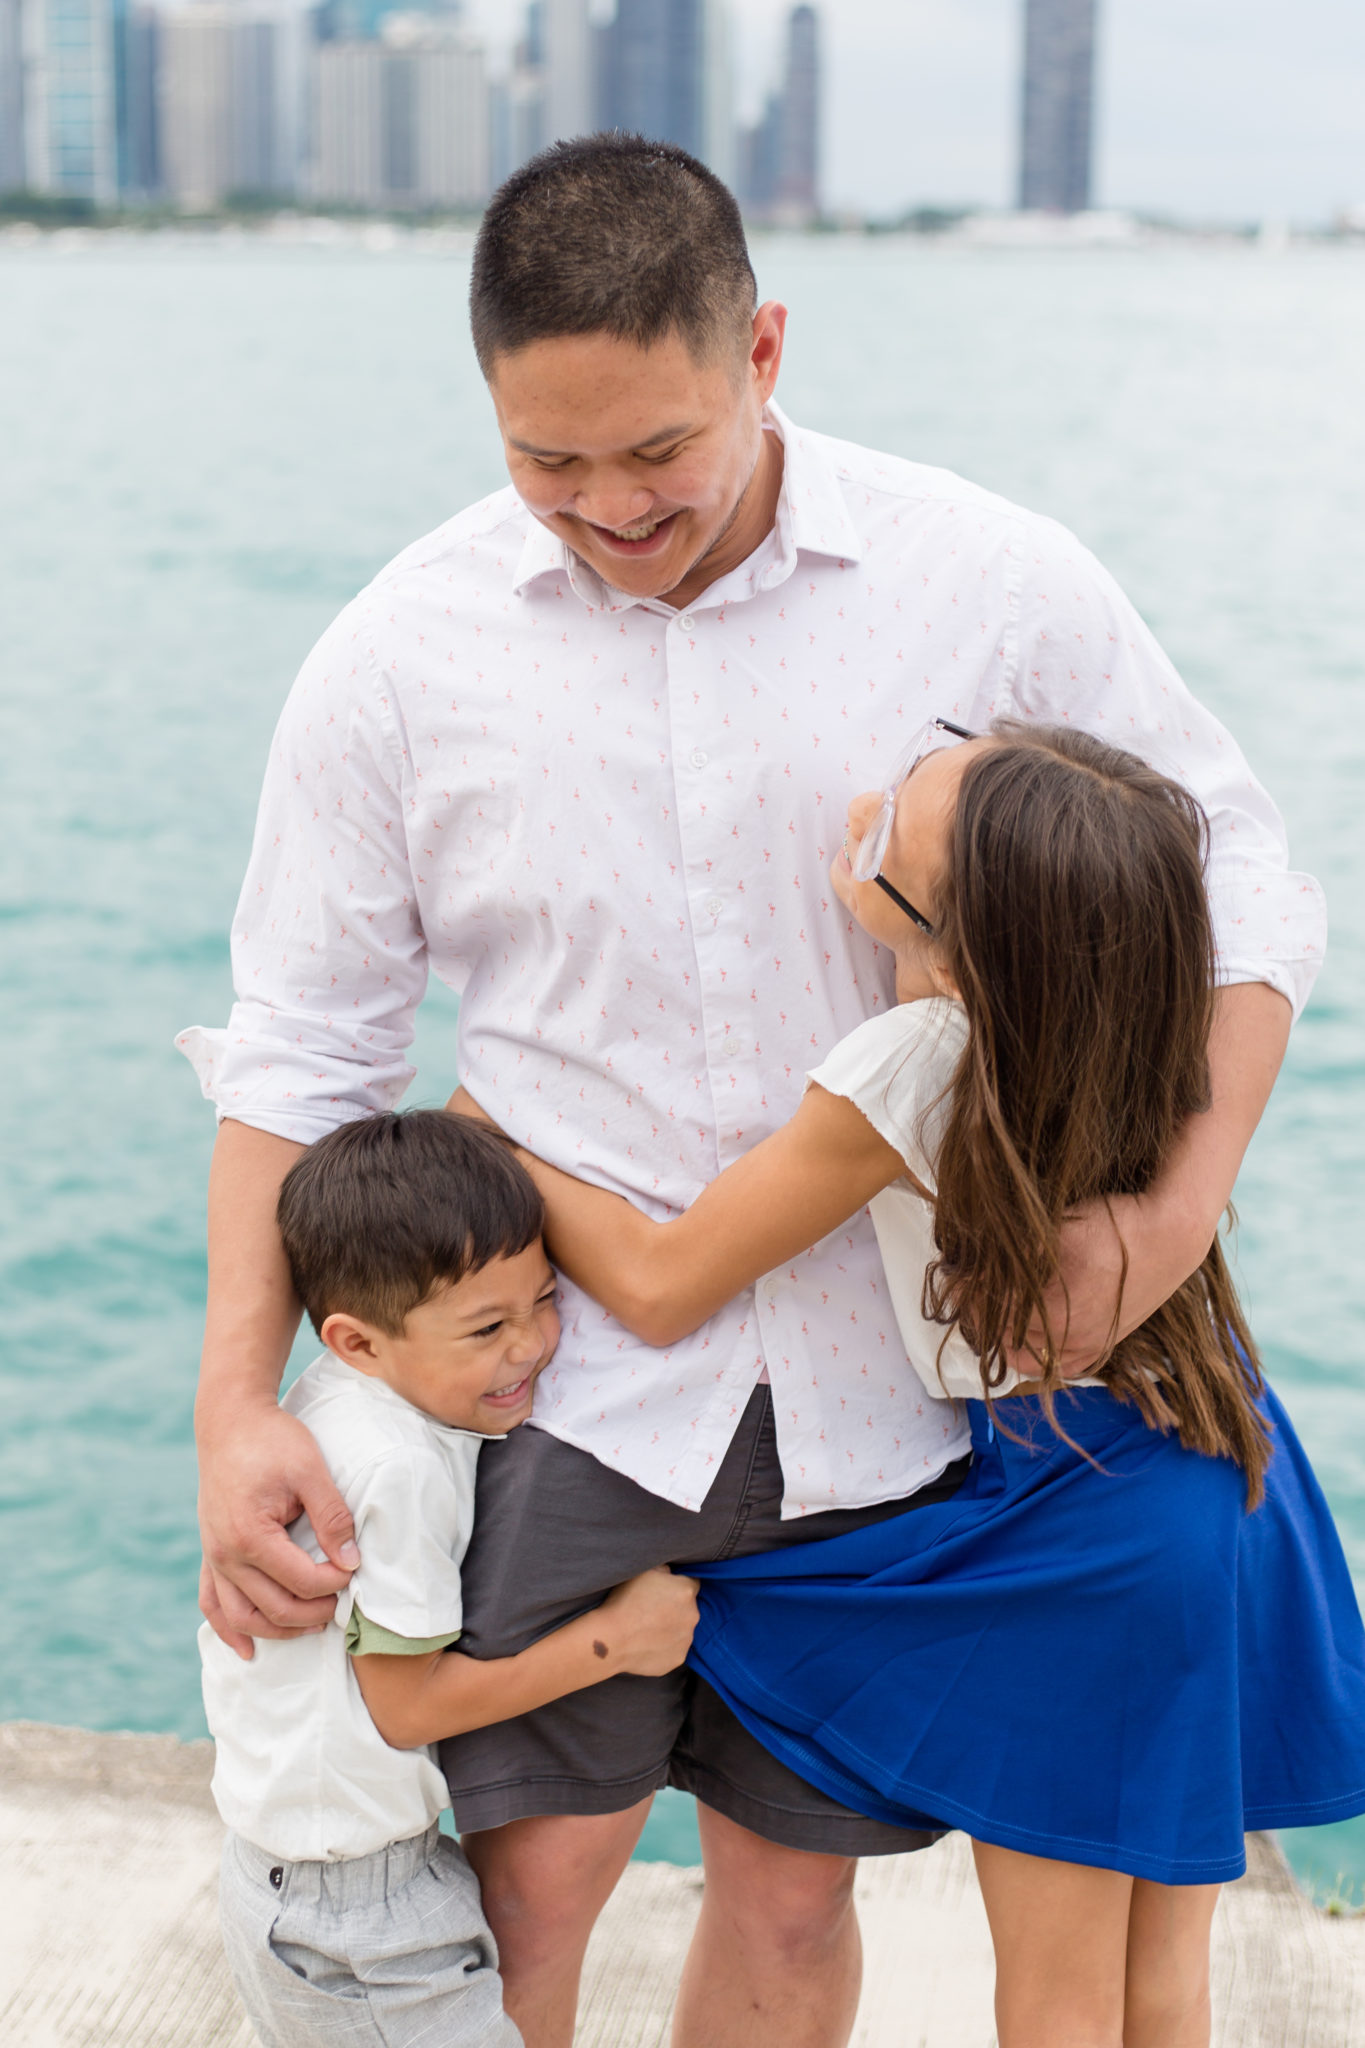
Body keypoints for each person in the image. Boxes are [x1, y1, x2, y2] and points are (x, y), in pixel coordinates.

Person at [178, 133, 1325, 2048]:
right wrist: (231, 1403)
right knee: (530, 1883)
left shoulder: (990, 574)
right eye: (549, 461)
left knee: (790, 1908)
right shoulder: (394, 655)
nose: (608, 506)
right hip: (564, 1386)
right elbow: (304, 1043)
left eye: (656, 452)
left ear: (766, 348)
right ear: (486, 402)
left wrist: (1178, 1199)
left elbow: (1241, 872)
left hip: (887, 1425)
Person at [461, 719, 1365, 2048]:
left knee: (1055, 1998)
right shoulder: (1147, 996)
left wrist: (496, 1128)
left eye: (892, 834)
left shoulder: (921, 1055)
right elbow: (1280, 898)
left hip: (1082, 1521)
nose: (863, 805)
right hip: (1222, 1451)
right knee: (1160, 1976)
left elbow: (660, 1283)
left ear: (948, 947)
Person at [202, 1110, 698, 2048]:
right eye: (485, 1328)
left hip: (288, 1868)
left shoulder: (331, 1401)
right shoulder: (399, 1469)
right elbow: (406, 1706)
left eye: (545, 1301)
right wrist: (614, 1643)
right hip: (355, 1914)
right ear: (359, 1341)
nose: (531, 1346)